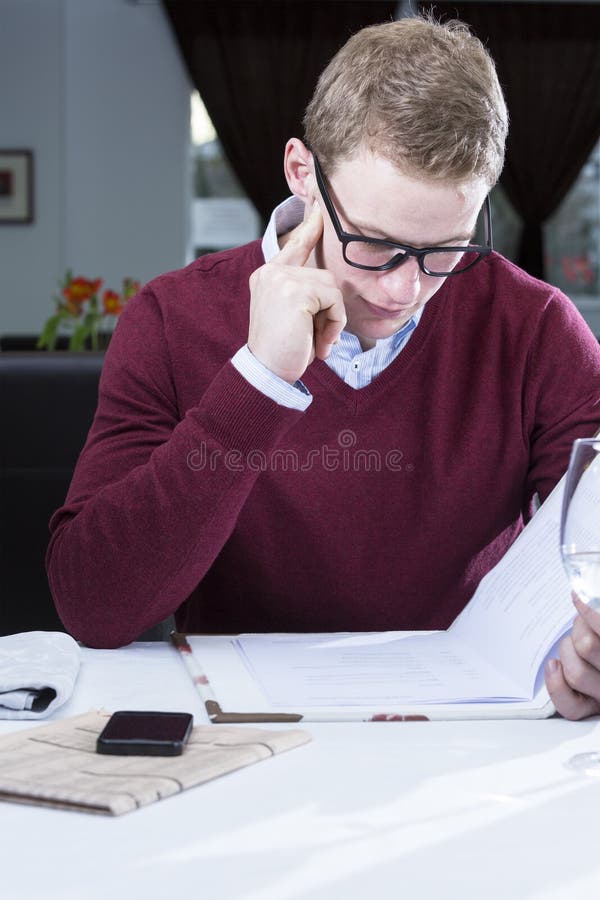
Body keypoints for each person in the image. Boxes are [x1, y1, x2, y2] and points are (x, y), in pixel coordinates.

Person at [47, 14, 600, 718]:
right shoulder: (169, 320)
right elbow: (92, 604)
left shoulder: (539, 329)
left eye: (447, 250)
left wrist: (591, 655)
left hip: (471, 737)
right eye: (374, 244)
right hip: (241, 741)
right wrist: (259, 382)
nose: (403, 290)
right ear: (302, 174)